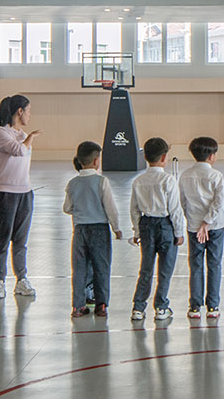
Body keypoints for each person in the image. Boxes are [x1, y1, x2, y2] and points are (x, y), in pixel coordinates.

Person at [129, 137, 185, 323]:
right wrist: (179, 232)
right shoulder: (168, 180)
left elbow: (134, 209)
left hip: (146, 225)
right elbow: (175, 209)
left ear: (145, 156)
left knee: (146, 268)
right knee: (165, 269)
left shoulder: (138, 181)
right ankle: (161, 306)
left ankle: (138, 308)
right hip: (165, 225)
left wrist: (137, 231)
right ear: (164, 157)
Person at [64, 140, 122, 318]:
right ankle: (101, 304)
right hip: (99, 229)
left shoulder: (72, 183)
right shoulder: (101, 181)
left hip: (80, 230)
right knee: (101, 267)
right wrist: (116, 228)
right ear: (96, 161)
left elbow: (67, 208)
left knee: (79, 268)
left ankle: (78, 306)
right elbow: (110, 207)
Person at [0, 94, 40, 301]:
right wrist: (30, 138)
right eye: (28, 110)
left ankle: (21, 279)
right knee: (3, 239)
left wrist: (27, 137)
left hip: (24, 193)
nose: (30, 114)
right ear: (19, 111)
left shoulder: (22, 134)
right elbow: (18, 151)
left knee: (21, 240)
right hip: (4, 193)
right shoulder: (0, 134)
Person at [180, 136, 224, 320]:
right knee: (214, 265)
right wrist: (207, 222)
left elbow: (183, 202)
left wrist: (195, 221)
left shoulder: (185, 175)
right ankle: (213, 306)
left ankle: (194, 306)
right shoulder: (216, 176)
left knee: (196, 265)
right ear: (211, 156)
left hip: (193, 227)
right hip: (215, 226)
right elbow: (218, 202)